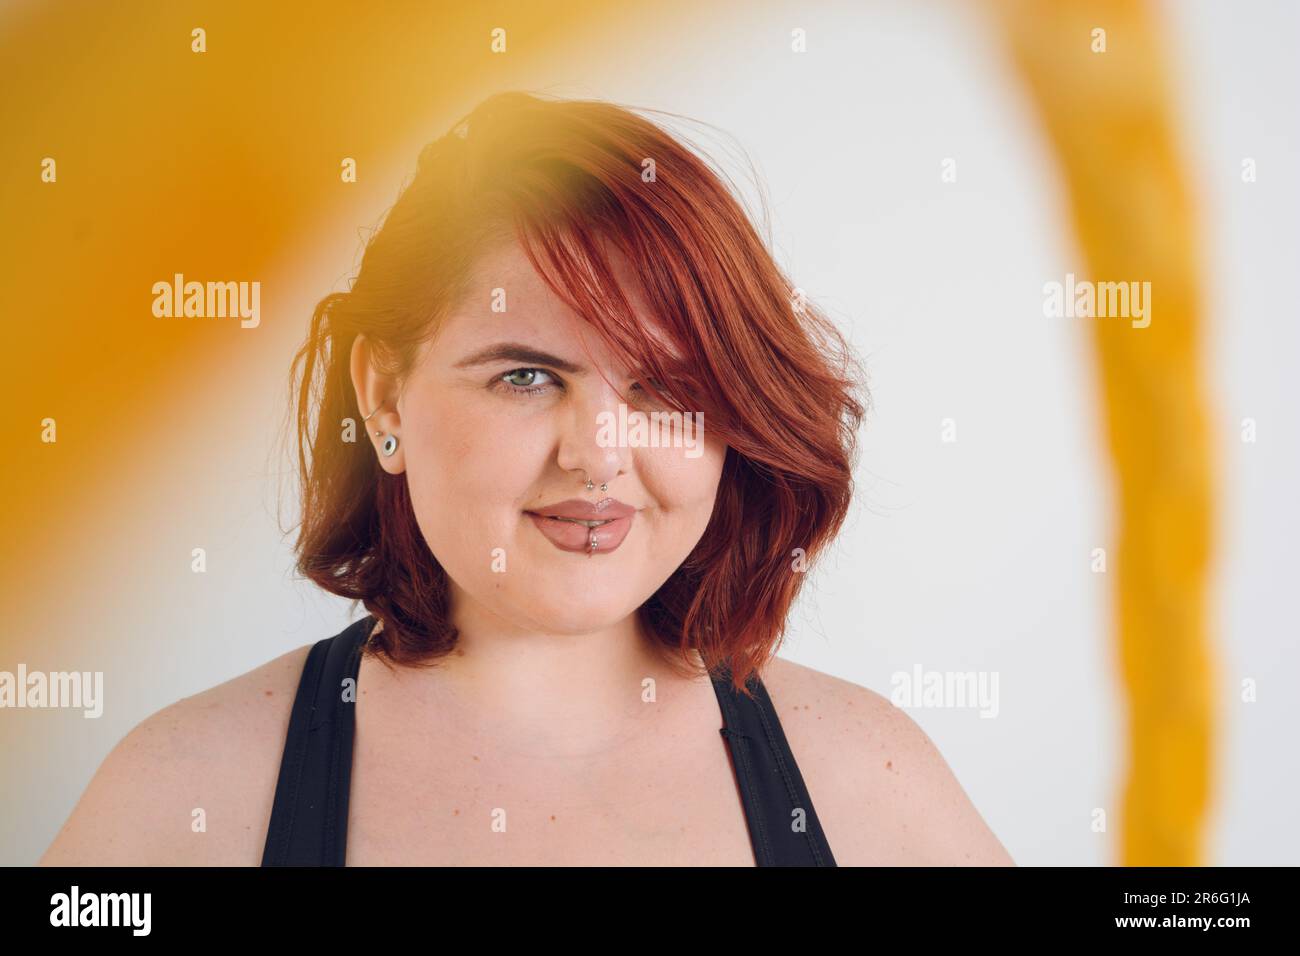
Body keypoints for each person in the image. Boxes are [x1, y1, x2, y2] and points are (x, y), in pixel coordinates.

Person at [39, 92, 1013, 866]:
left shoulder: (869, 785)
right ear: (383, 397)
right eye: (526, 375)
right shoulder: (183, 796)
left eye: (665, 385)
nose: (598, 453)